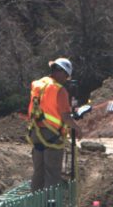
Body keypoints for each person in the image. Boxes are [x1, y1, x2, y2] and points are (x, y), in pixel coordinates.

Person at [27, 57, 83, 192]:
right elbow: (65, 116)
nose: (66, 80)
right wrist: (77, 127)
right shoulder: (59, 90)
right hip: (51, 135)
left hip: (35, 132)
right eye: (66, 77)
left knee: (38, 173)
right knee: (51, 174)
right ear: (62, 73)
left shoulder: (39, 84)